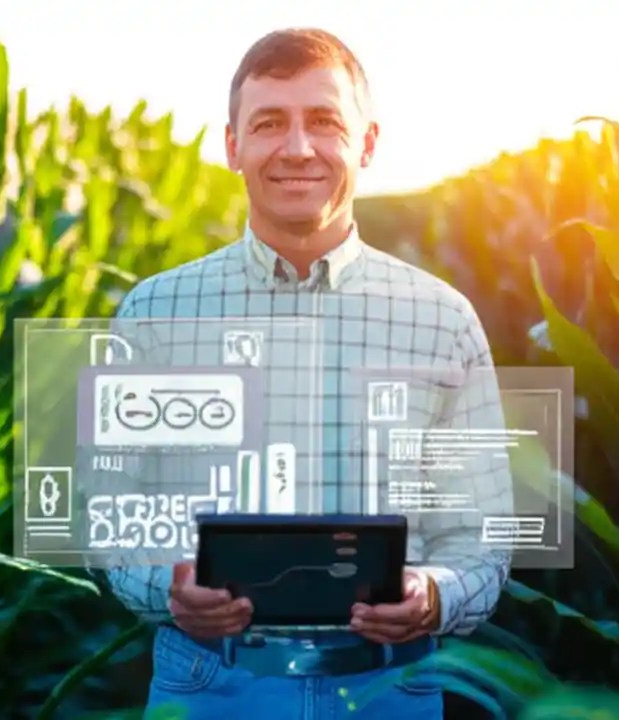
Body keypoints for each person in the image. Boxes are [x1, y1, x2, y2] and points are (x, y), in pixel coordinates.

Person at [98, 27, 514, 719]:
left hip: (390, 690)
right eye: (268, 124)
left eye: (324, 122)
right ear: (232, 145)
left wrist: (433, 593)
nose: (297, 148)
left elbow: (481, 535)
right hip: (208, 689)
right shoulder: (152, 313)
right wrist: (162, 585)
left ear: (368, 143)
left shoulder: (444, 320)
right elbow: (112, 517)